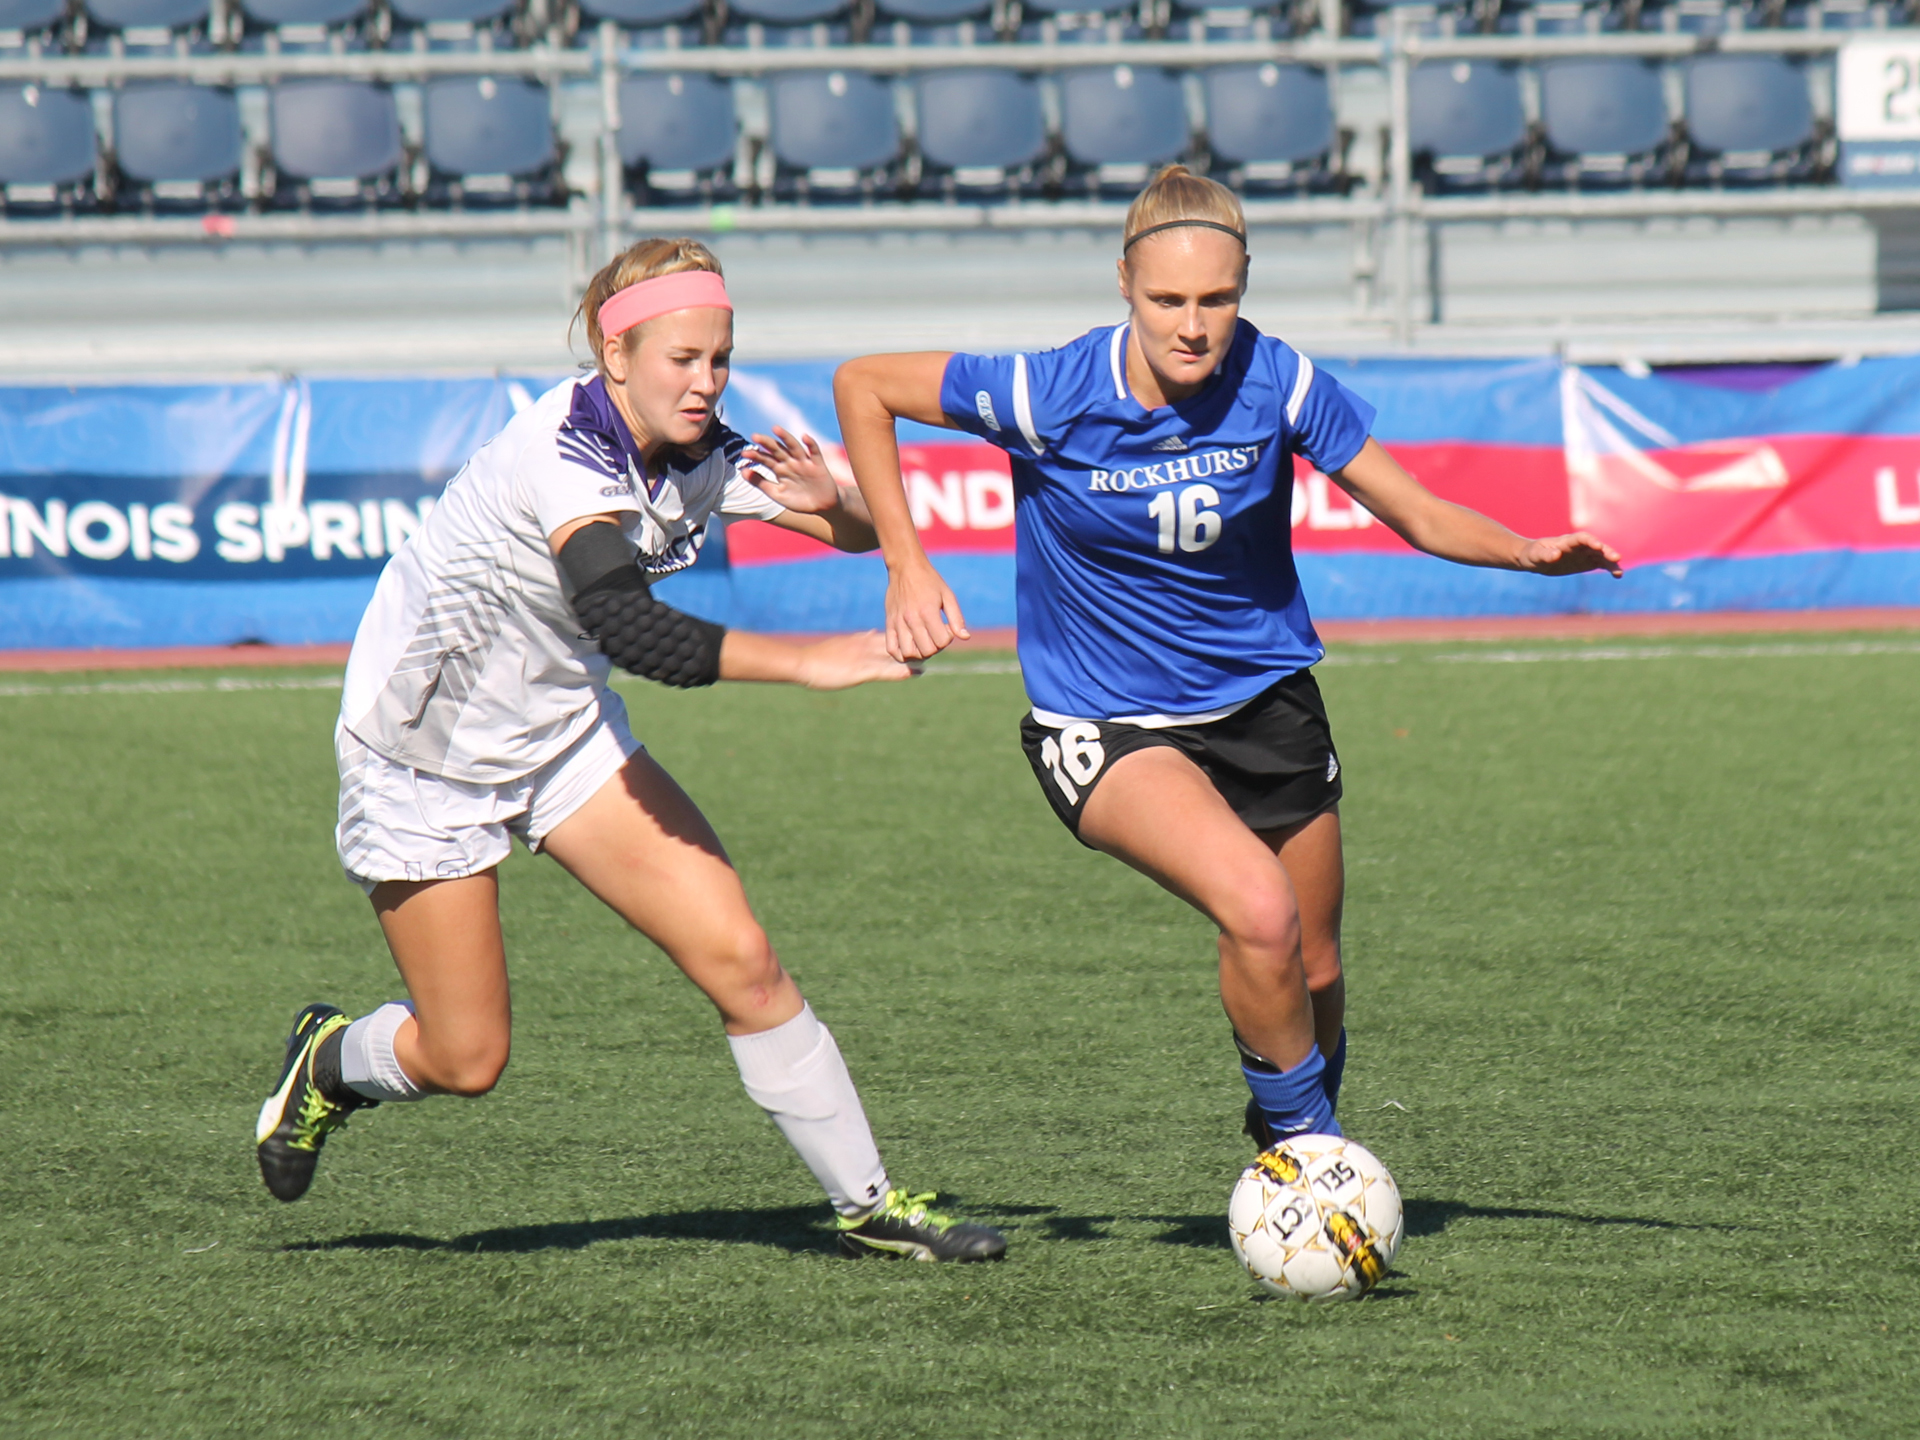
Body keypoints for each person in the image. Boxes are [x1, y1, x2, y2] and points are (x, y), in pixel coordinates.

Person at [832, 168, 1623, 1151]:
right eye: (1167, 299)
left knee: (1317, 966)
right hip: (1107, 723)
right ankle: (1307, 1159)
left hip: (1263, 702)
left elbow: (1414, 509)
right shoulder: (1048, 390)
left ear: (1246, 286)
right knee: (1258, 909)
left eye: (1218, 298)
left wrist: (1525, 550)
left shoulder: (1278, 379)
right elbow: (863, 385)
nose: (1193, 325)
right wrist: (906, 566)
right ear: (1123, 281)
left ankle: (1292, 1128)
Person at [255, 237, 1006, 1263]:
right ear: (616, 356)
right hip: (424, 753)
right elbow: (629, 626)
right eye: (681, 360)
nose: (705, 384)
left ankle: (868, 1204)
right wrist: (809, 662)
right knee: (467, 1056)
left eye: (720, 359)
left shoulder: (701, 445)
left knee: (742, 958)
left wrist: (834, 505)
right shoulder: (561, 448)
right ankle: (331, 1061)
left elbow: (859, 532)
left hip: (560, 733)